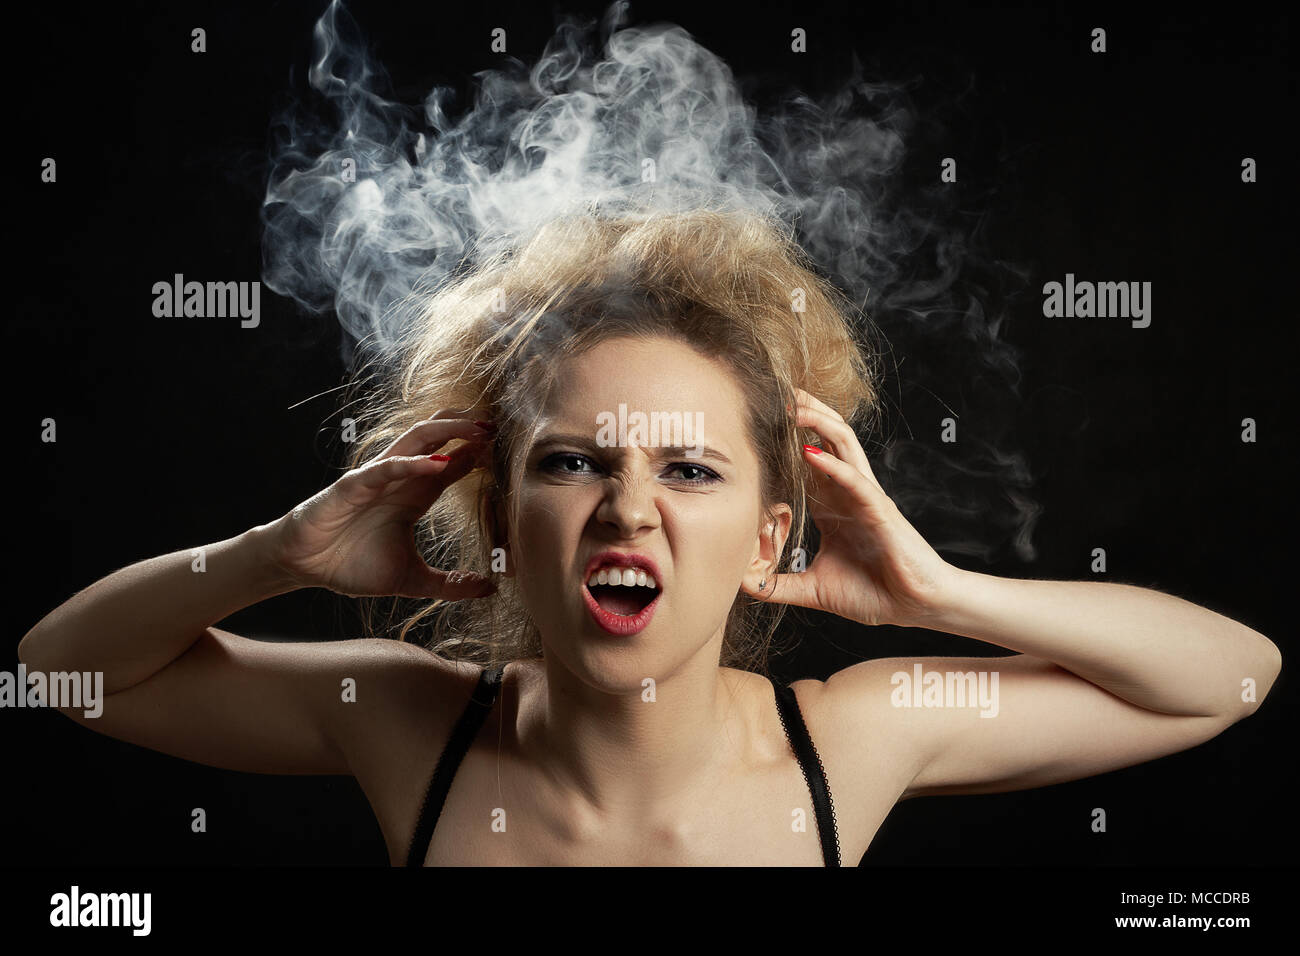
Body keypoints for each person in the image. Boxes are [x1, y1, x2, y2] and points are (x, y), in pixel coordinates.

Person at [18, 208, 1282, 866]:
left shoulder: (848, 737)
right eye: (571, 462)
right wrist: (275, 555)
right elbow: (58, 673)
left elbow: (1231, 674)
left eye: (690, 467)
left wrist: (939, 590)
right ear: (502, 515)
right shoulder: (408, 722)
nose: (630, 508)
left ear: (765, 535)